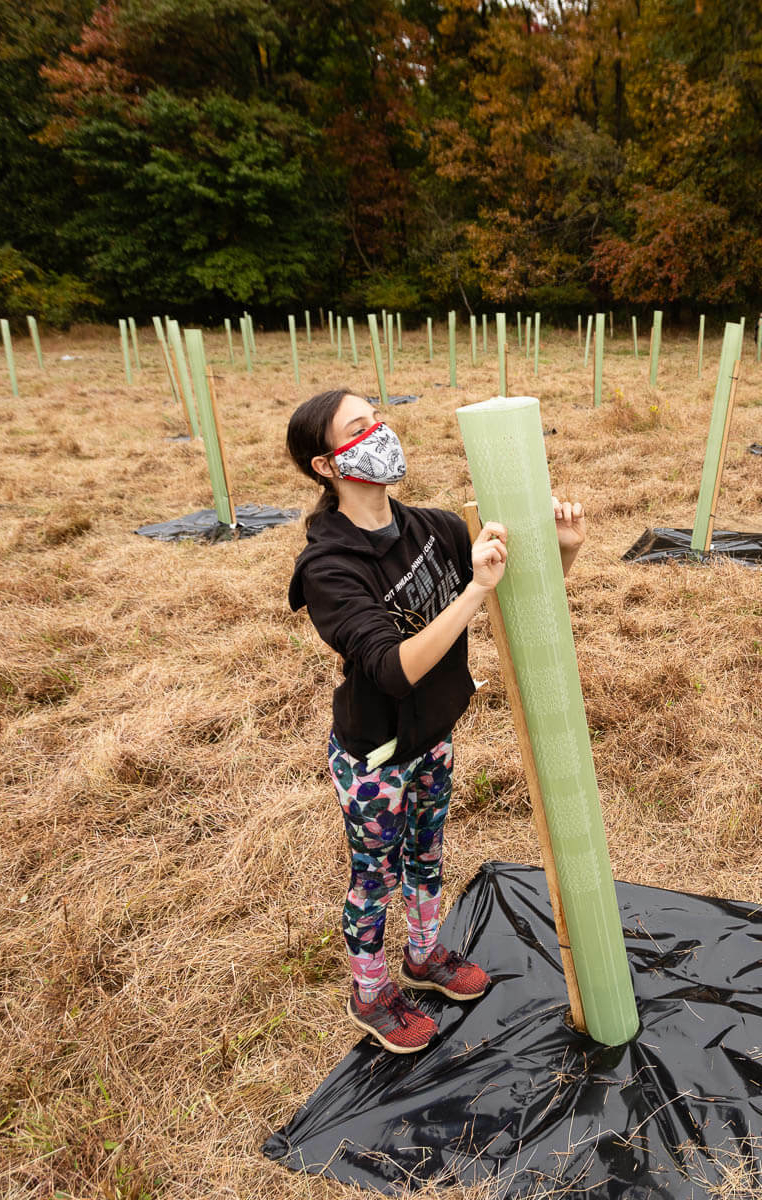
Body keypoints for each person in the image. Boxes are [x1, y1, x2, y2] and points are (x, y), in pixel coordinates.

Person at [285, 389, 587, 1054]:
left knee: (426, 854)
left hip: (433, 738)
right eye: (359, 428)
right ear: (326, 465)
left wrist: (564, 550)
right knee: (375, 876)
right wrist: (474, 588)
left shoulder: (436, 528)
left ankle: (423, 955)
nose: (381, 433)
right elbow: (393, 669)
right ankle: (370, 992)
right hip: (374, 757)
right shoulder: (329, 569)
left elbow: (514, 603)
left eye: (379, 419)